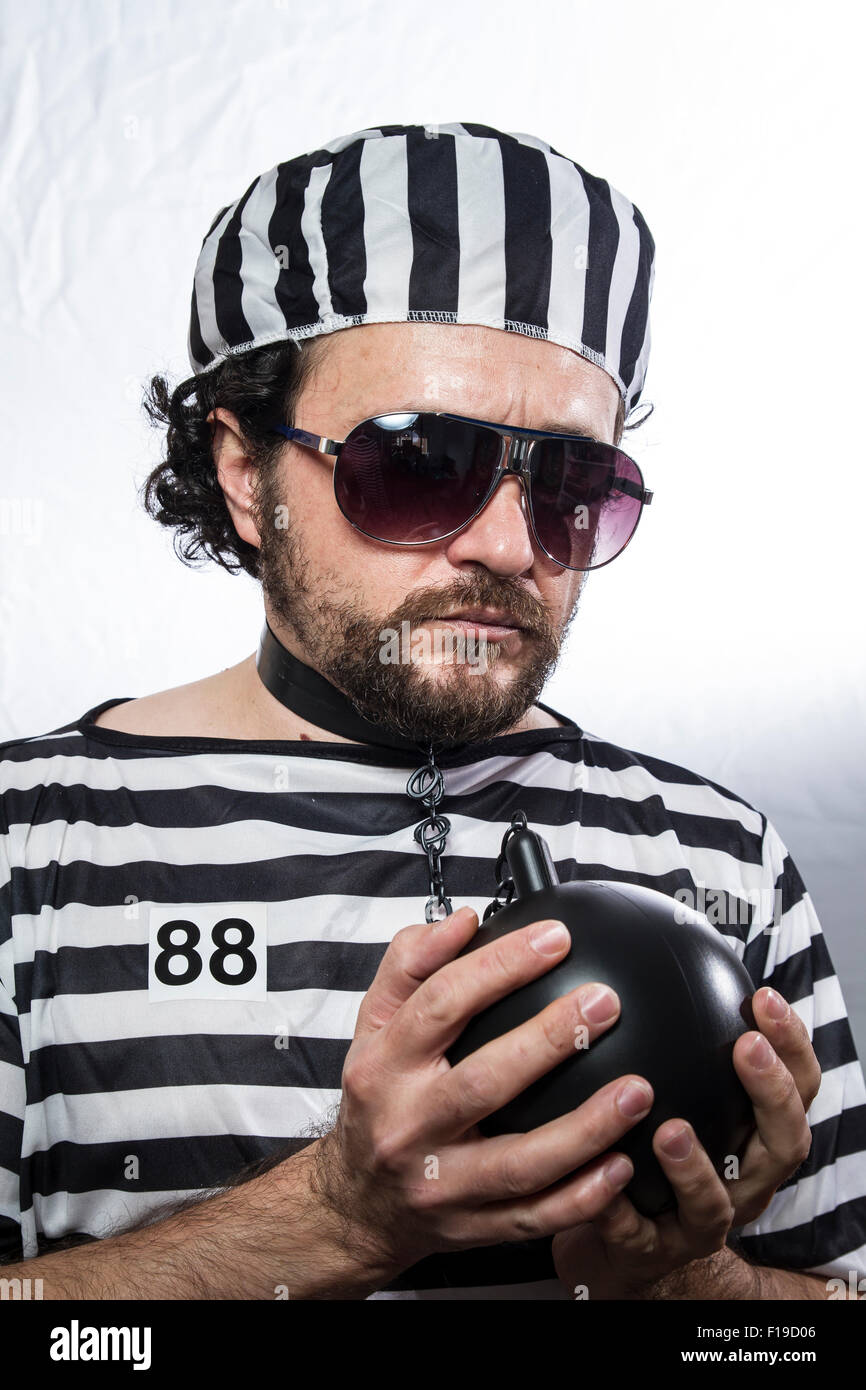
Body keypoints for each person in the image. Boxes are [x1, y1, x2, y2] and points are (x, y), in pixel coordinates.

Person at [1, 121, 863, 1301]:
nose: (507, 546)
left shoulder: (717, 853)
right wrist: (335, 1218)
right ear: (247, 471)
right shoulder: (33, 844)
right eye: (414, 461)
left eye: (571, 485)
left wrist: (685, 1289)